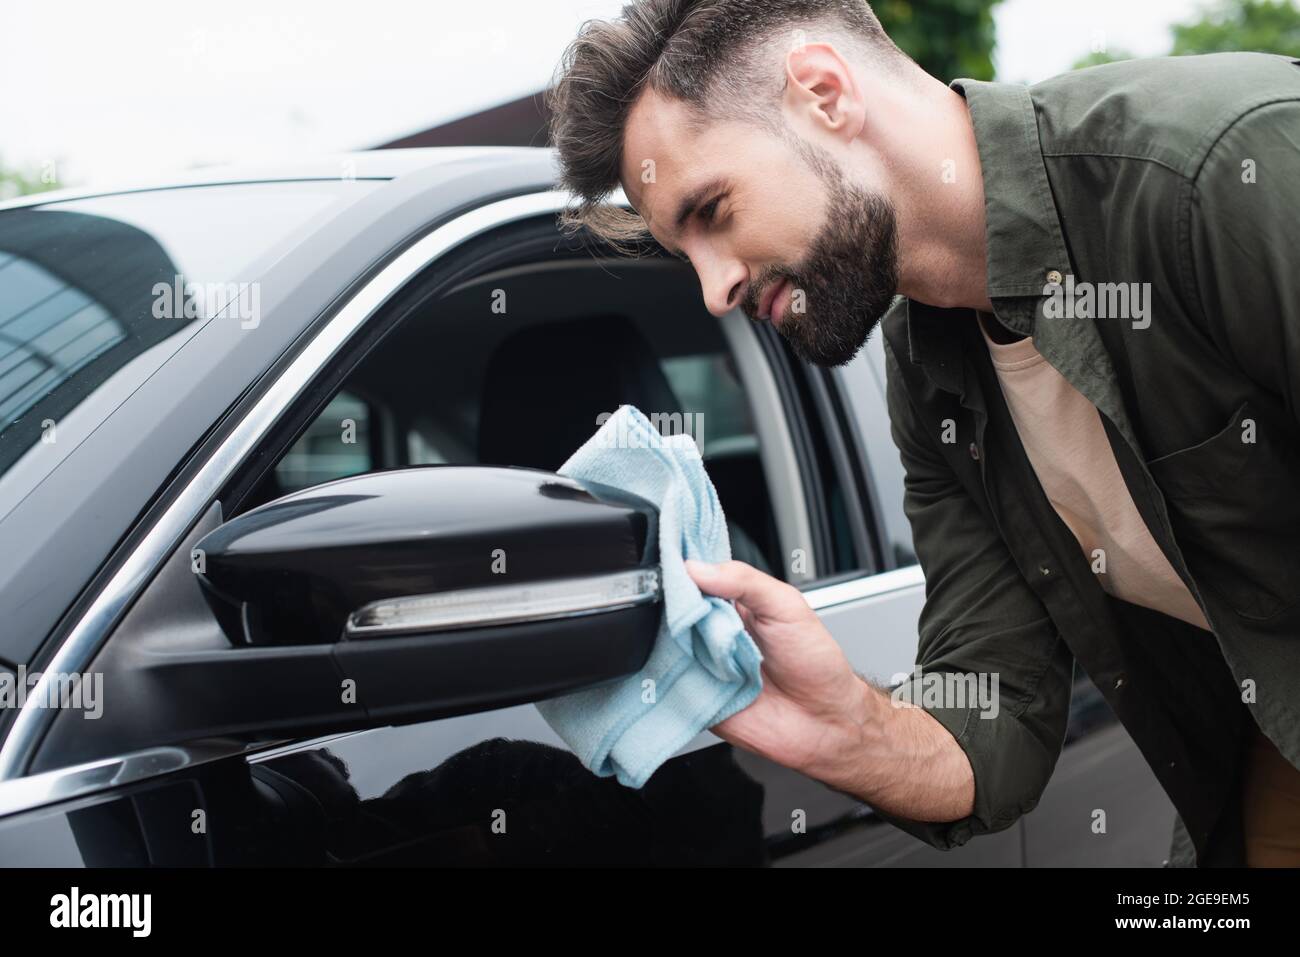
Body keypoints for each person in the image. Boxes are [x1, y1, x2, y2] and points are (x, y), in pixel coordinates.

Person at [546, 0, 1300, 867]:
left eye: (711, 210)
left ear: (825, 95)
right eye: (686, 256)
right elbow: (997, 731)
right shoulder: (926, 367)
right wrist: (841, 725)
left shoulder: (1219, 173)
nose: (713, 290)